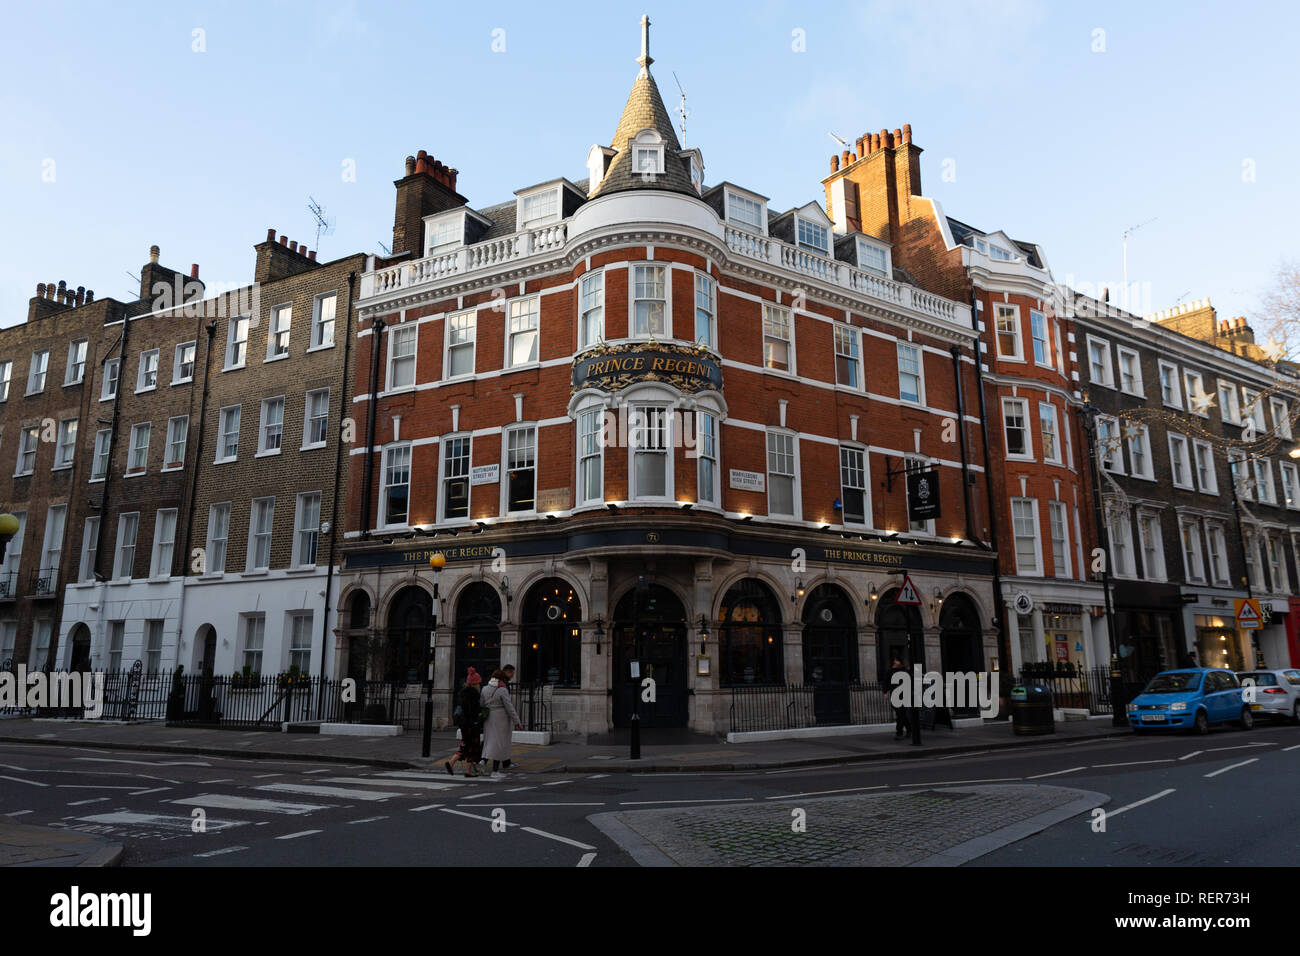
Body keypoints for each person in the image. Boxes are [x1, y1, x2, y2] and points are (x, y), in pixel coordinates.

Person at [480, 668, 523, 774]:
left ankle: (482, 761)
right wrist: (517, 721)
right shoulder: (502, 690)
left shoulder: (484, 689)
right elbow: (509, 707)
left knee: (489, 740)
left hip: (489, 717)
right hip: (501, 719)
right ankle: (495, 769)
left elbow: (481, 703)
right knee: (499, 743)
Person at [446, 667, 483, 777]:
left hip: (463, 725)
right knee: (472, 747)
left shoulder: (462, 693)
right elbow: (472, 711)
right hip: (471, 724)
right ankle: (466, 770)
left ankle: (452, 762)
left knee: (465, 745)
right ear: (476, 683)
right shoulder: (473, 695)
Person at [888, 654, 911, 739]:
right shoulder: (891, 671)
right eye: (894, 660)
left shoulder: (905, 671)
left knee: (900, 715)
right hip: (895, 696)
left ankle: (899, 733)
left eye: (896, 660)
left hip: (904, 695)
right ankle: (909, 730)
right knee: (901, 715)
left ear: (900, 662)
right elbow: (887, 681)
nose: (895, 662)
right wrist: (885, 692)